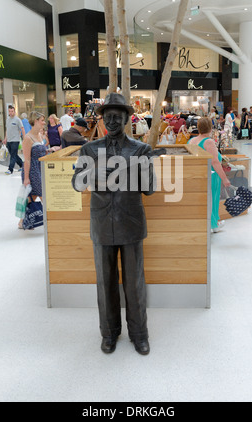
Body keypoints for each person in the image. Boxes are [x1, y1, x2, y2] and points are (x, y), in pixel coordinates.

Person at [72, 93, 156, 356]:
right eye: (107, 116)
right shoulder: (89, 150)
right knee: (105, 283)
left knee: (134, 284)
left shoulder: (140, 149)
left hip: (131, 224)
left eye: (117, 117)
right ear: (102, 118)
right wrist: (95, 173)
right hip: (102, 223)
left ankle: (139, 334)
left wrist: (134, 171)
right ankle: (109, 333)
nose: (112, 121)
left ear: (127, 118)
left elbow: (150, 189)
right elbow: (77, 184)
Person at [188, 117, 231, 233]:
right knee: (212, 198)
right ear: (211, 128)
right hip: (211, 175)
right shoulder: (208, 142)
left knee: (204, 200)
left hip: (198, 174)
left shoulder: (191, 140)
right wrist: (225, 178)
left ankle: (210, 223)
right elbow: (215, 162)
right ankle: (213, 224)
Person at [19, 112, 47, 229]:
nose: (44, 122)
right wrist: (26, 178)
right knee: (42, 195)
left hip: (40, 168)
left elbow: (41, 151)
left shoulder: (40, 136)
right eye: (42, 120)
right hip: (32, 170)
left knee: (32, 196)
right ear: (35, 121)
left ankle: (22, 221)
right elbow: (27, 160)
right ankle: (50, 221)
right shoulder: (28, 138)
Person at [3, 105, 25, 175]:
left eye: (12, 111)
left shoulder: (17, 120)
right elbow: (7, 130)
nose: (11, 113)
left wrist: (24, 138)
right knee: (14, 154)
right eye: (9, 111)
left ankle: (10, 169)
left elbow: (22, 129)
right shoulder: (7, 119)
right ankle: (22, 165)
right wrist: (5, 138)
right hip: (9, 140)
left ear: (14, 111)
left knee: (13, 155)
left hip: (15, 140)